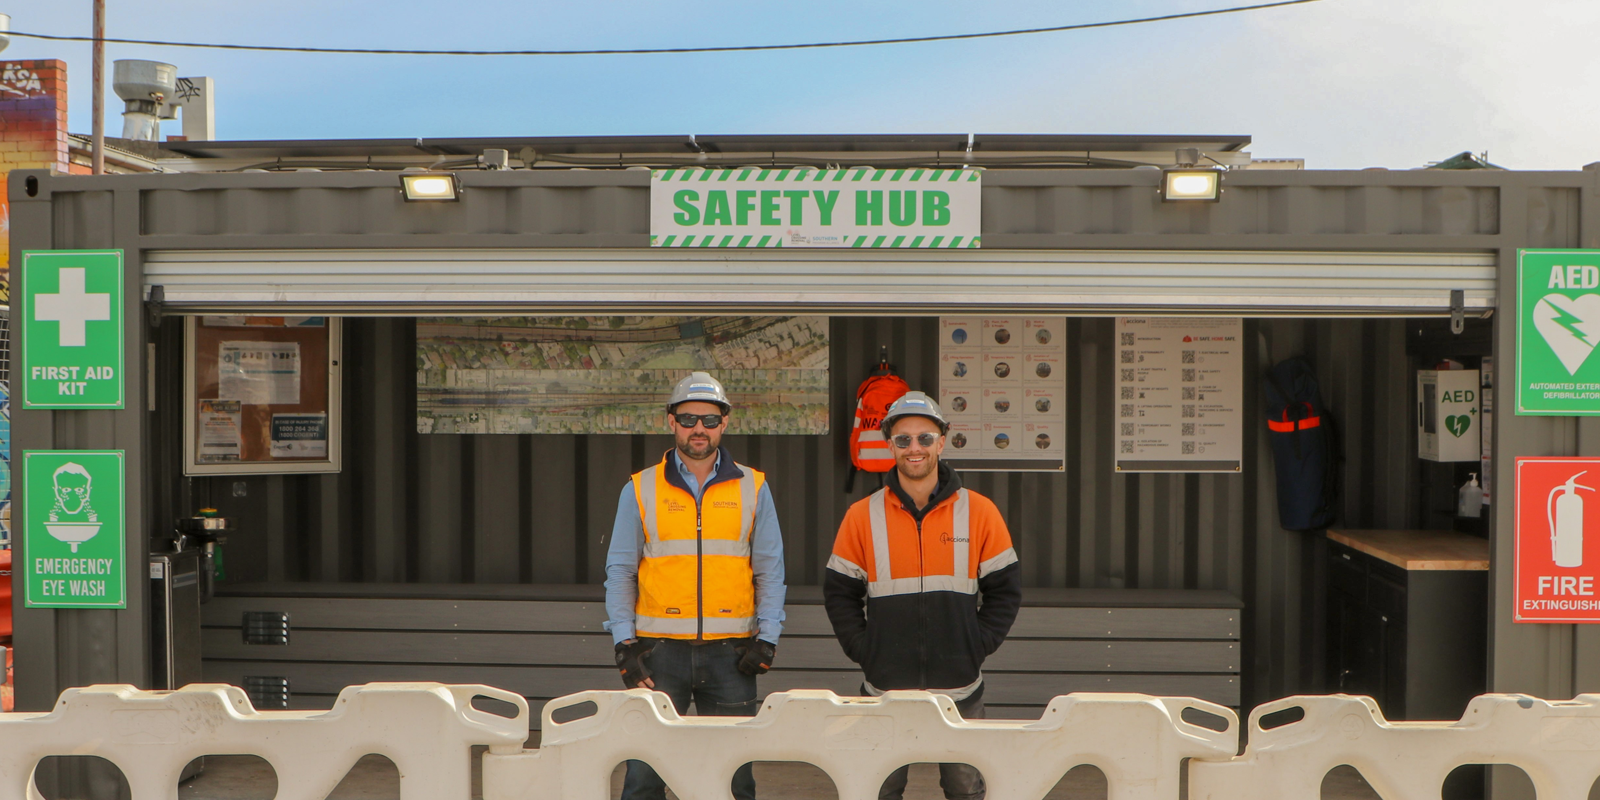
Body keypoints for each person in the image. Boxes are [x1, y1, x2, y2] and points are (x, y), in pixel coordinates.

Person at [824, 391, 1021, 800]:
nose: (915, 448)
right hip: (885, 689)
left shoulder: (980, 512)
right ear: (890, 445)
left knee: (966, 789)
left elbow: (1005, 591)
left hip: (960, 688)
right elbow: (839, 593)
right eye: (903, 439)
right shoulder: (862, 515)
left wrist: (975, 644)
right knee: (881, 788)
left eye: (925, 438)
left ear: (942, 441)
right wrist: (866, 649)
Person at [604, 371, 787, 800]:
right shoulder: (640, 488)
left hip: (732, 657)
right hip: (657, 655)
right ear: (671, 422)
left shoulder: (754, 487)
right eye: (687, 418)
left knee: (733, 780)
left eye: (708, 418)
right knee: (644, 779)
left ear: (724, 422)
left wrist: (769, 638)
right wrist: (623, 644)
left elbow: (770, 570)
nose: (698, 428)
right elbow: (620, 571)